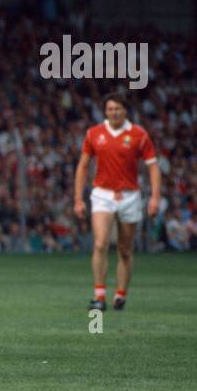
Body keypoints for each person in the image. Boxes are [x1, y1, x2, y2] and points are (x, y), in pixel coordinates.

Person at [73, 93, 162, 311]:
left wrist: (155, 197)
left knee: (125, 249)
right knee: (100, 243)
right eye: (110, 109)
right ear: (105, 111)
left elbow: (152, 166)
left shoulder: (139, 134)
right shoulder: (94, 133)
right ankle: (99, 295)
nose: (114, 112)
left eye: (118, 108)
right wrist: (78, 199)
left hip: (130, 196)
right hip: (103, 194)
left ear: (125, 111)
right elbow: (83, 165)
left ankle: (121, 295)